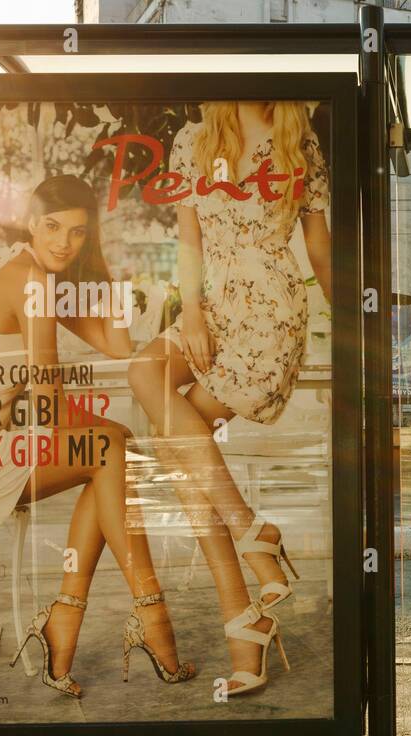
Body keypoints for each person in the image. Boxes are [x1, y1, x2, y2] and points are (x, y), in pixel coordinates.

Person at [0, 175, 194, 697]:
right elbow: (49, 405)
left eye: (77, 233)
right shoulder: (29, 279)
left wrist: (98, 267)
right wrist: (112, 435)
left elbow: (117, 345)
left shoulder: (40, 274)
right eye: (52, 227)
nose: (63, 243)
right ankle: (148, 615)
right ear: (31, 223)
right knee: (112, 449)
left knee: (112, 450)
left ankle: (69, 624)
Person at [128, 100, 332, 696]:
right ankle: (251, 547)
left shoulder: (300, 140)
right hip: (212, 308)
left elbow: (319, 250)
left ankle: (245, 615)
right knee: (145, 373)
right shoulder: (193, 139)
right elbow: (188, 241)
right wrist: (190, 312)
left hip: (271, 312)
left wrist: (356, 321)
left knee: (177, 447)